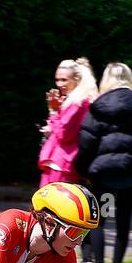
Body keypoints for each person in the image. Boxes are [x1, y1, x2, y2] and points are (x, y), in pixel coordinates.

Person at [73, 62, 132, 263]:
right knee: (124, 219)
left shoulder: (99, 106)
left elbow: (87, 141)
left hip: (104, 172)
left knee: (99, 219)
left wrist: (82, 169)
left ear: (106, 80)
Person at [38, 57, 97, 186]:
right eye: (57, 79)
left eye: (64, 80)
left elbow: (64, 134)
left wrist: (53, 113)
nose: (59, 84)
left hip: (61, 165)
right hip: (62, 164)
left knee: (49, 205)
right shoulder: (79, 100)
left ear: (76, 79)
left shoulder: (77, 103)